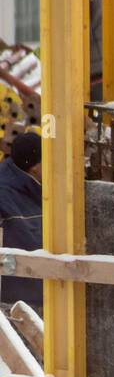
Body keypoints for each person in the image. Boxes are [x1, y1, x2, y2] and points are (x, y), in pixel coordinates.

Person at [0, 131, 44, 309]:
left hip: (30, 294)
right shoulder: (6, 196)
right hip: (15, 301)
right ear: (35, 167)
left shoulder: (32, 184)